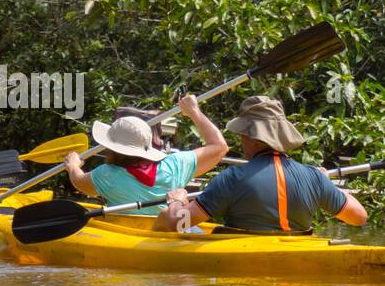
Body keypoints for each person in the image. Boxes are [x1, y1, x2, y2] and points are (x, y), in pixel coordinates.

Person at [154, 96, 368, 233]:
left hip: (243, 266)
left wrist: (176, 201)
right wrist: (325, 182)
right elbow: (359, 217)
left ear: (254, 138)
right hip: (293, 261)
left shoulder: (232, 178)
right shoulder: (314, 177)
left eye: (243, 134)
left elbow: (177, 224)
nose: (241, 139)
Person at [65, 95, 226, 214]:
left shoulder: (106, 175)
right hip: (166, 232)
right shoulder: (175, 164)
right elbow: (219, 147)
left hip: (129, 238)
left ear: (112, 147)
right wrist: (194, 111)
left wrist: (73, 165)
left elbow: (79, 182)